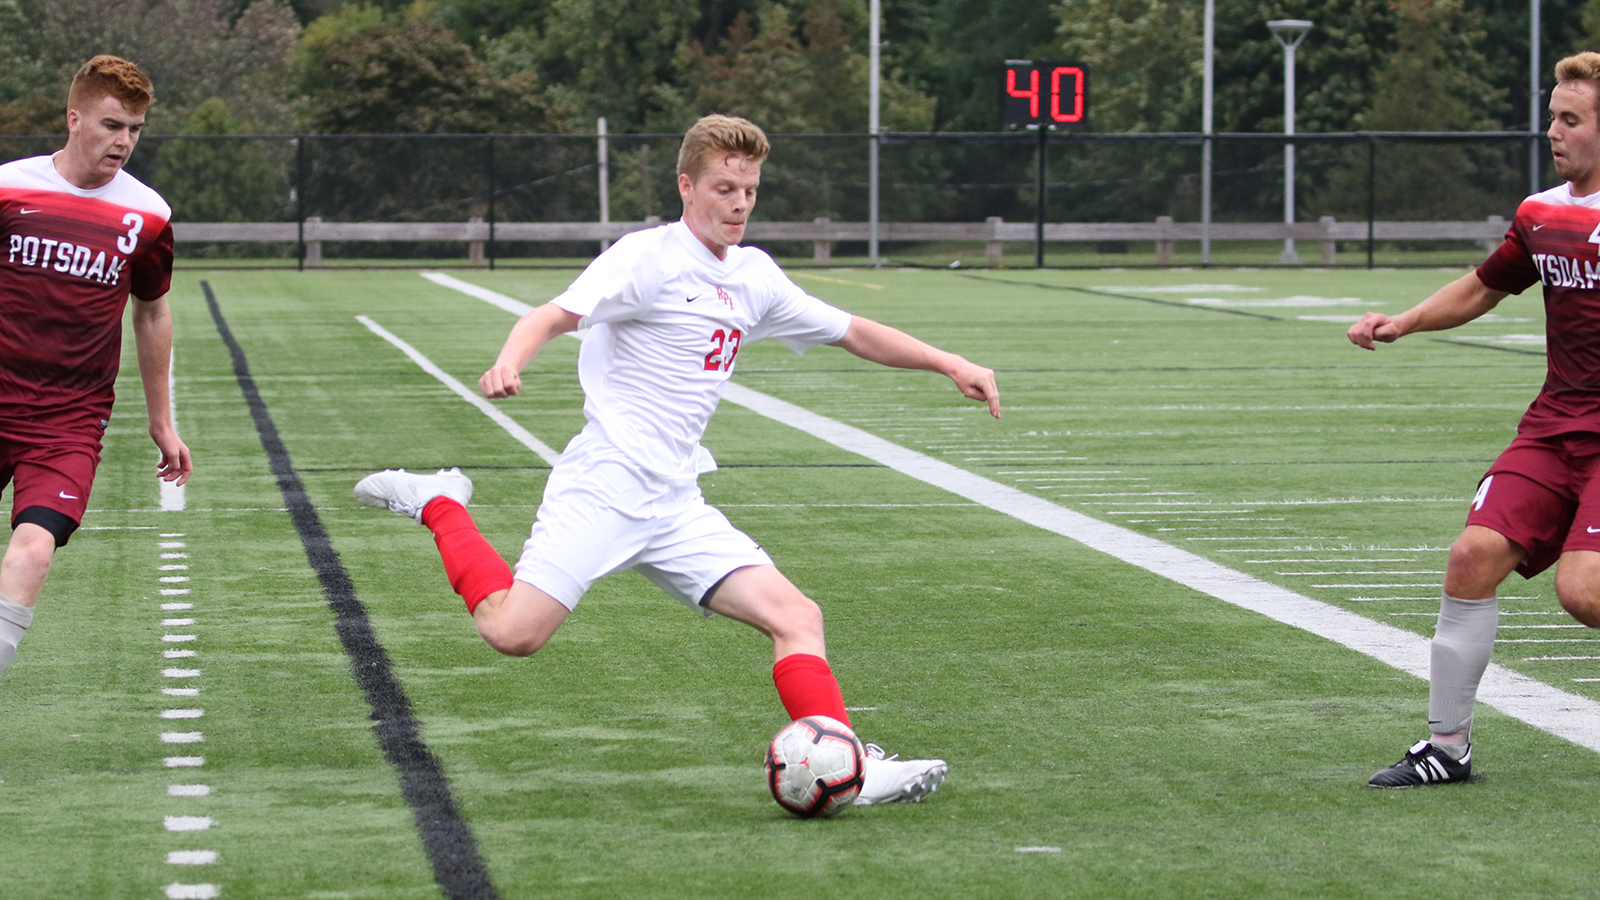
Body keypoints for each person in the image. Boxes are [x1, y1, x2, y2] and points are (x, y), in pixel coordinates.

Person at [356, 114, 999, 806]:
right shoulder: (646, 259)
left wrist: (947, 361)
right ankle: (440, 502)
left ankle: (850, 769)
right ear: (686, 186)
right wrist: (509, 362)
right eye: (725, 188)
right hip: (604, 486)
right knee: (514, 634)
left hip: (675, 501)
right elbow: (549, 316)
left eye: (750, 190)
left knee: (796, 617)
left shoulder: (754, 276)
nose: (740, 204)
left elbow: (852, 331)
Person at [1348, 51, 1600, 787]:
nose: (1551, 129)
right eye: (1552, 114)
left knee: (1584, 594)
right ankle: (1447, 748)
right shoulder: (1542, 212)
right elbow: (1486, 287)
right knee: (1472, 559)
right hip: (1556, 425)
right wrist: (1404, 323)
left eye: (1570, 119)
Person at [0, 55, 190, 682]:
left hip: (68, 421)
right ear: (74, 118)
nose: (124, 141)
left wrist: (162, 421)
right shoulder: (9, 187)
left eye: (134, 128)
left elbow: (152, 313)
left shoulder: (149, 215)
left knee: (34, 550)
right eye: (112, 125)